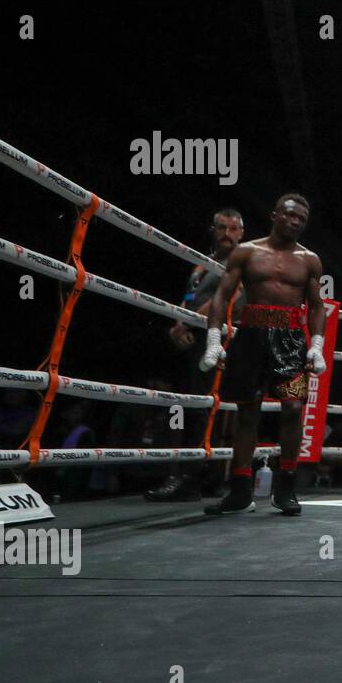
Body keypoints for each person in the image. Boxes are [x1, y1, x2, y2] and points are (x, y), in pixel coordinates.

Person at [199, 194, 327, 517]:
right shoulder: (247, 251)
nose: (296, 221)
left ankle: (286, 487)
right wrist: (214, 339)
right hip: (251, 337)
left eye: (302, 218)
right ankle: (241, 490)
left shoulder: (310, 259)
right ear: (274, 215)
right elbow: (222, 295)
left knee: (293, 407)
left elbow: (316, 306)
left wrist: (316, 345)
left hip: (290, 342)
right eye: (290, 215)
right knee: (247, 411)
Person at [147, 208, 245, 502]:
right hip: (196, 336)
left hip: (219, 337)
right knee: (193, 405)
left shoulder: (239, 261)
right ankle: (205, 478)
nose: (227, 233)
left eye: (233, 228)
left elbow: (229, 296)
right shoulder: (202, 265)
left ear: (241, 234)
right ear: (213, 230)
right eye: (222, 227)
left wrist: (186, 321)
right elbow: (191, 297)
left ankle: (192, 477)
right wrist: (177, 326)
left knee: (204, 408)